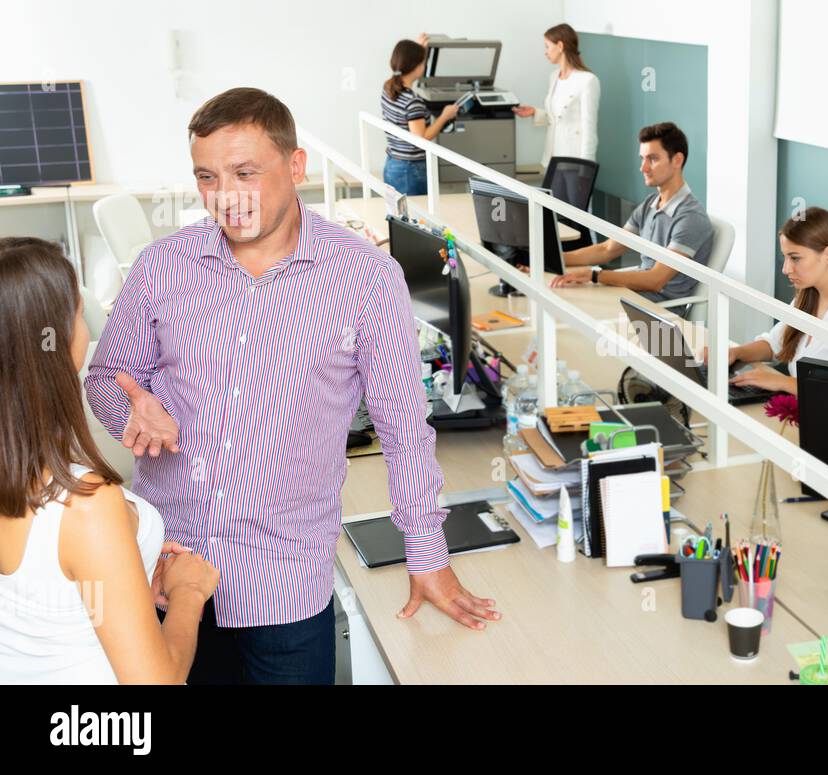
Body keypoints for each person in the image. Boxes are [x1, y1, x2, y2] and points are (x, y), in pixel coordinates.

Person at [85, 88, 499, 685]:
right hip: (168, 577)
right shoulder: (161, 268)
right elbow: (105, 377)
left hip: (284, 590)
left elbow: (404, 428)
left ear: (296, 167)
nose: (225, 195)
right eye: (207, 176)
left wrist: (426, 552)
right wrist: (130, 408)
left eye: (245, 172)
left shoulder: (366, 278)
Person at [0, 236, 218, 684]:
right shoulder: (84, 505)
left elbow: (45, 595)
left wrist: (130, 573)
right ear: (56, 339)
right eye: (79, 312)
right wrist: (189, 593)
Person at [705, 207, 828, 395]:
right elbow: (775, 344)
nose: (786, 269)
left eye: (795, 258)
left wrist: (783, 382)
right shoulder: (809, 293)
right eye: (785, 257)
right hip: (797, 406)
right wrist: (736, 353)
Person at [551, 122, 712, 302]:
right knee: (564, 293)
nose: (643, 168)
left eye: (653, 159)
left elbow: (654, 280)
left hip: (659, 312)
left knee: (572, 301)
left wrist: (594, 276)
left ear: (677, 160)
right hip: (634, 296)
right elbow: (607, 249)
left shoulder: (690, 218)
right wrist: (548, 259)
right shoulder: (650, 204)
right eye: (642, 159)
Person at [513, 23, 600, 174]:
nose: (545, 52)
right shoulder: (554, 77)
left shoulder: (587, 80)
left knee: (573, 199)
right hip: (552, 159)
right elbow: (557, 118)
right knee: (552, 197)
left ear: (560, 46)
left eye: (547, 46)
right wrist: (535, 112)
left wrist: (585, 167)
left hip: (575, 162)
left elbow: (589, 128)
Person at [381, 35, 460, 195]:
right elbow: (421, 139)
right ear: (416, 66)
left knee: (397, 216)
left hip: (393, 163)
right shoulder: (413, 101)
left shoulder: (388, 87)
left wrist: (418, 50)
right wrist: (444, 116)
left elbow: (408, 66)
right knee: (416, 218)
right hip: (410, 170)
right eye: (422, 62)